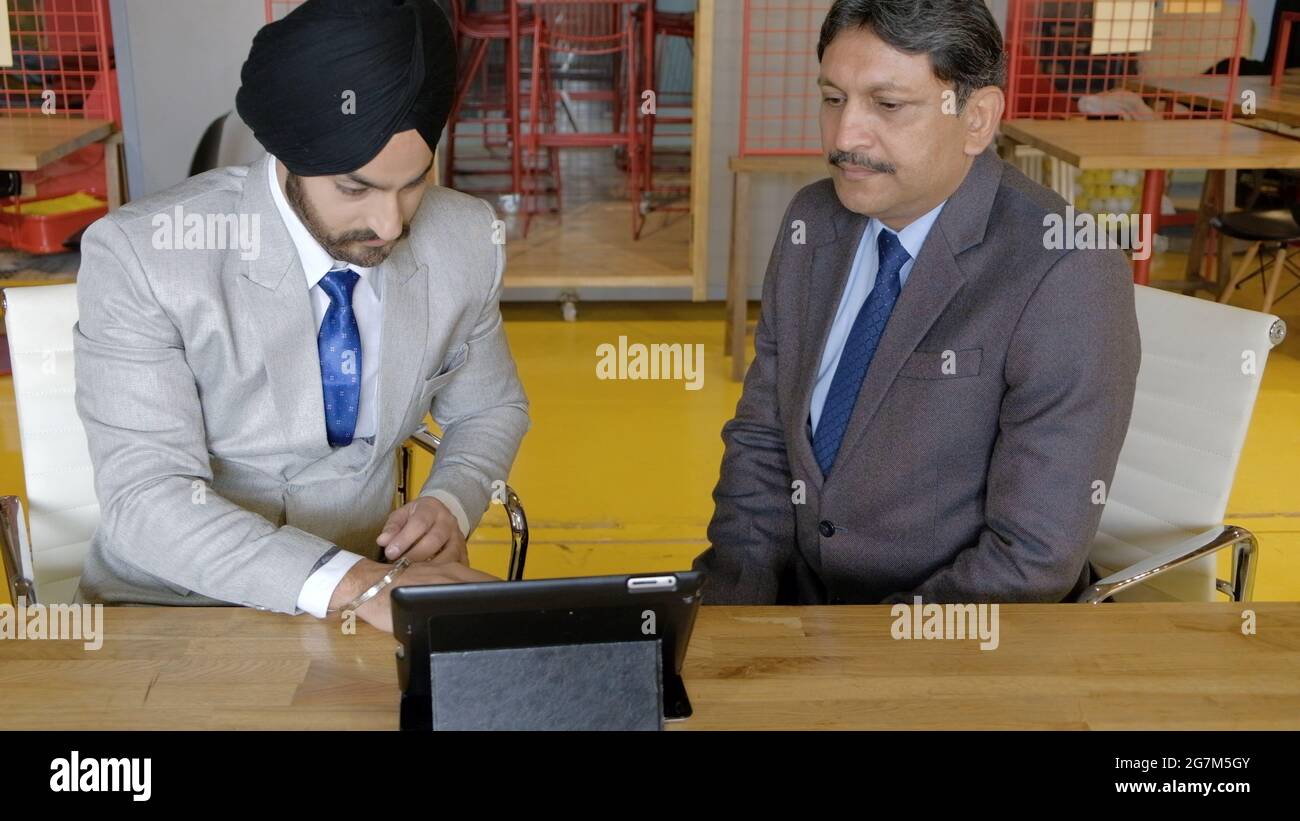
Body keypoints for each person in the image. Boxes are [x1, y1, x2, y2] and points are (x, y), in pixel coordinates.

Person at [73, 0, 528, 632]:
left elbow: (490, 408)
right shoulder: (147, 256)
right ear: (288, 157)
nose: (390, 224)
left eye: (414, 182)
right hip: (173, 607)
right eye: (355, 188)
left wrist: (449, 500)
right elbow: (147, 501)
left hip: (367, 599)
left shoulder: (466, 239)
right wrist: (356, 584)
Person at [696, 0, 1140, 605]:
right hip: (797, 612)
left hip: (948, 644)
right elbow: (763, 442)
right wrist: (734, 615)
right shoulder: (813, 221)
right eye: (832, 99)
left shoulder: (1067, 269)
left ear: (977, 118)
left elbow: (1031, 559)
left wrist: (857, 663)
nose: (846, 136)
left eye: (887, 105)